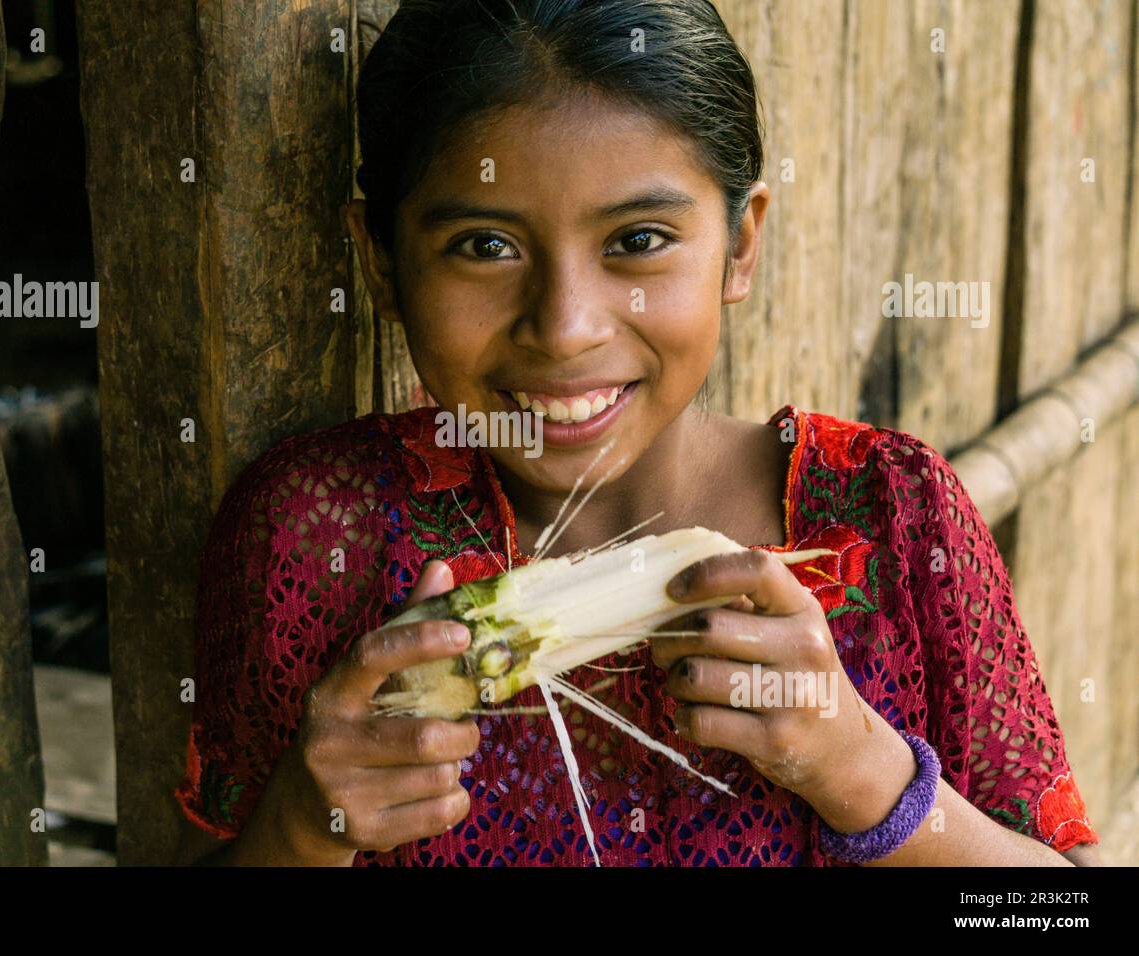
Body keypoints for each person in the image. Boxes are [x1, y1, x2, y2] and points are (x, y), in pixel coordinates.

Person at [173, 0, 1100, 866]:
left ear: (740, 245)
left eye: (640, 239)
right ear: (381, 263)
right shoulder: (318, 533)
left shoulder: (888, 514)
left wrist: (860, 769)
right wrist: (301, 824)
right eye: (485, 246)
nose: (567, 325)